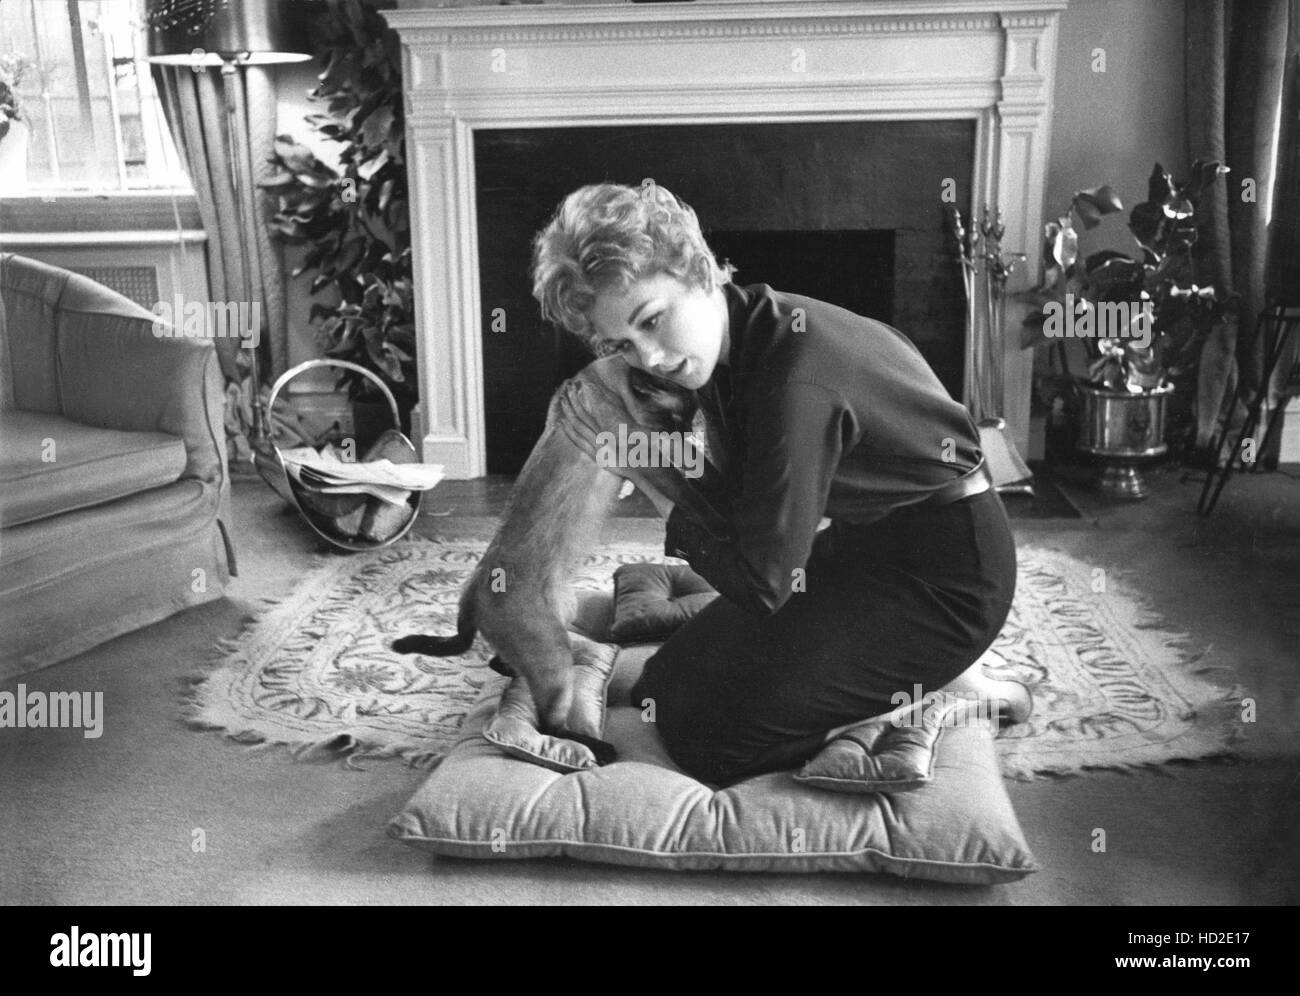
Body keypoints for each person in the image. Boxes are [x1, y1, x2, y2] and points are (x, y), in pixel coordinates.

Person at [532, 181, 1029, 787]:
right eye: (624, 345)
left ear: (698, 269)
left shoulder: (794, 380)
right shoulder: (744, 329)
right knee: (667, 681)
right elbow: (748, 515)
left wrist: (655, 471)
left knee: (713, 745)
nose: (652, 359)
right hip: (864, 546)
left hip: (949, 580)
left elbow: (761, 582)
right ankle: (908, 676)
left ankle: (939, 697)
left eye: (654, 321)